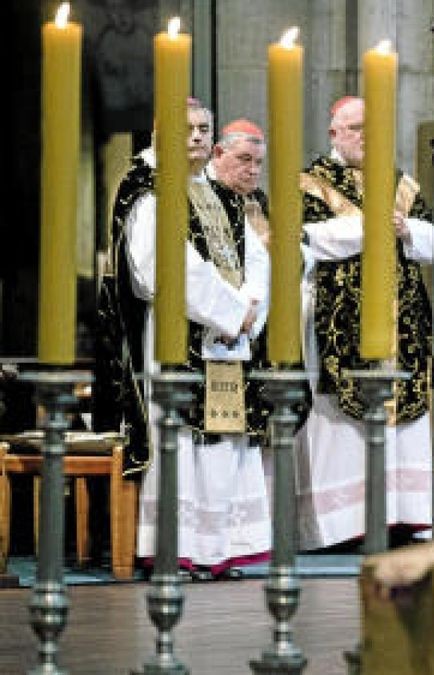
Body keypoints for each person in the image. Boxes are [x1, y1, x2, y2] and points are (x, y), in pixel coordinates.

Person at [122, 99, 273, 580]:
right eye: (186, 129)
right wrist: (231, 312)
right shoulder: (148, 191)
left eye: (204, 129)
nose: (196, 137)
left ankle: (222, 546)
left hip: (228, 340)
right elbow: (160, 267)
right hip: (175, 335)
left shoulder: (216, 194)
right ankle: (180, 547)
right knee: (181, 438)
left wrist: (250, 308)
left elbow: (256, 258)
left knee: (225, 443)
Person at [295, 96, 434, 549]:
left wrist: (407, 231)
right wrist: (372, 225)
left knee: (406, 420)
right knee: (341, 423)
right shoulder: (312, 181)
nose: (364, 136)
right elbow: (308, 238)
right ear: (334, 132)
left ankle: (406, 515)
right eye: (355, 128)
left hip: (404, 321)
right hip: (341, 317)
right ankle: (342, 526)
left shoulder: (401, 182)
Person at [207, 118, 270, 245]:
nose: (254, 171)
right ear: (218, 153)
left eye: (258, 162)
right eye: (245, 159)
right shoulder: (197, 188)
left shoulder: (257, 197)